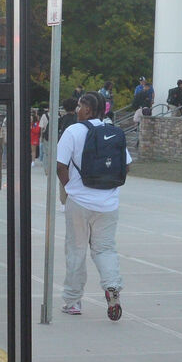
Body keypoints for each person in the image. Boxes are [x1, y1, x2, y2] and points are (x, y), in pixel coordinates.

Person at [54, 90, 132, 321]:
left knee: (76, 249)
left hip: (79, 202)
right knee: (105, 249)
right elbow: (126, 166)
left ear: (88, 109)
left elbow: (60, 166)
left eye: (80, 106)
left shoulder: (73, 131)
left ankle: (73, 301)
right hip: (108, 204)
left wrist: (70, 189)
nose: (77, 110)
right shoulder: (112, 131)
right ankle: (111, 286)